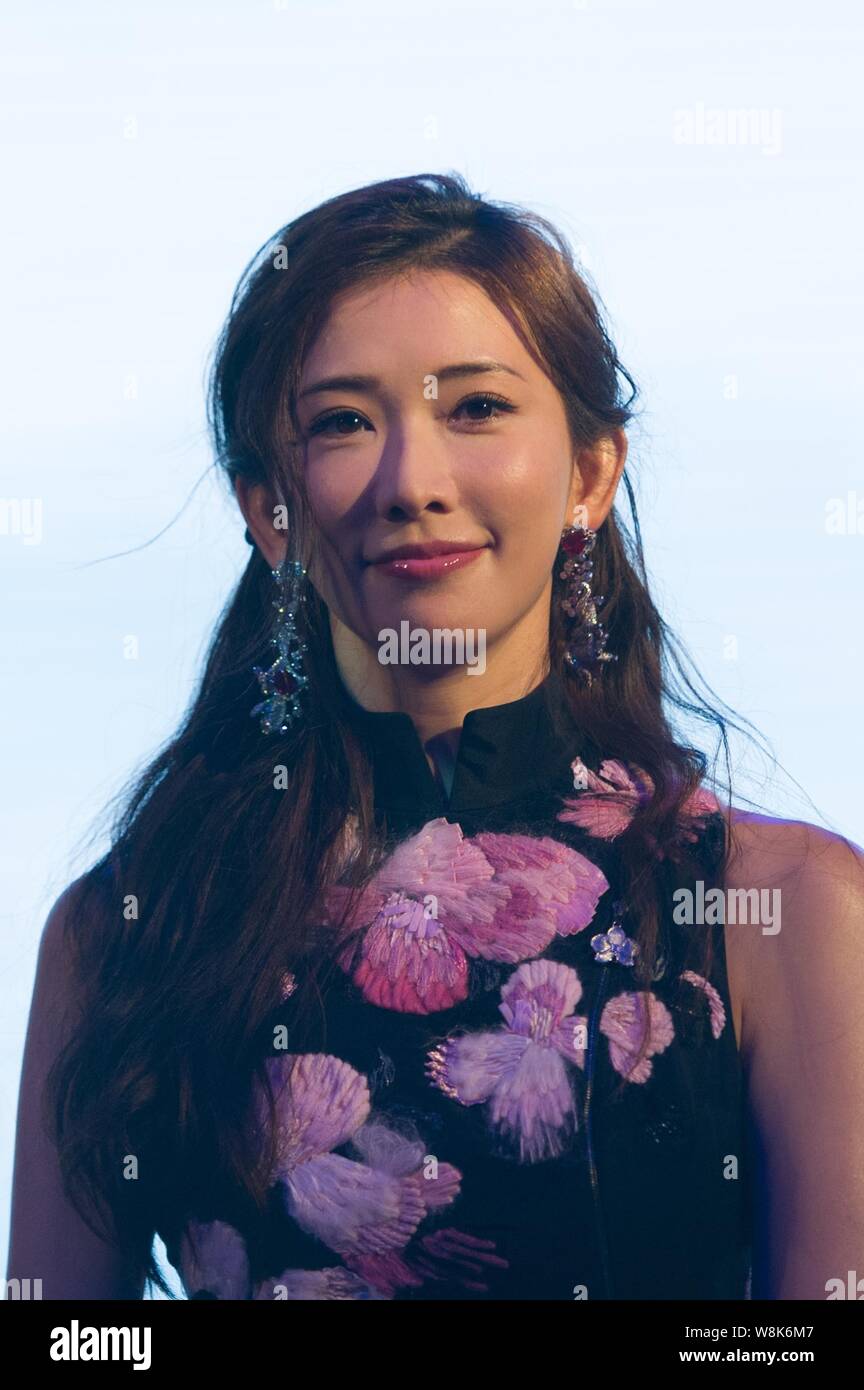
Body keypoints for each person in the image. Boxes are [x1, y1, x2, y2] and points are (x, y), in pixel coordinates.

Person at [7, 173, 864, 1301]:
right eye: (345, 423)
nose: (415, 483)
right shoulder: (129, 929)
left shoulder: (781, 912)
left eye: (477, 409)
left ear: (591, 474)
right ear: (270, 509)